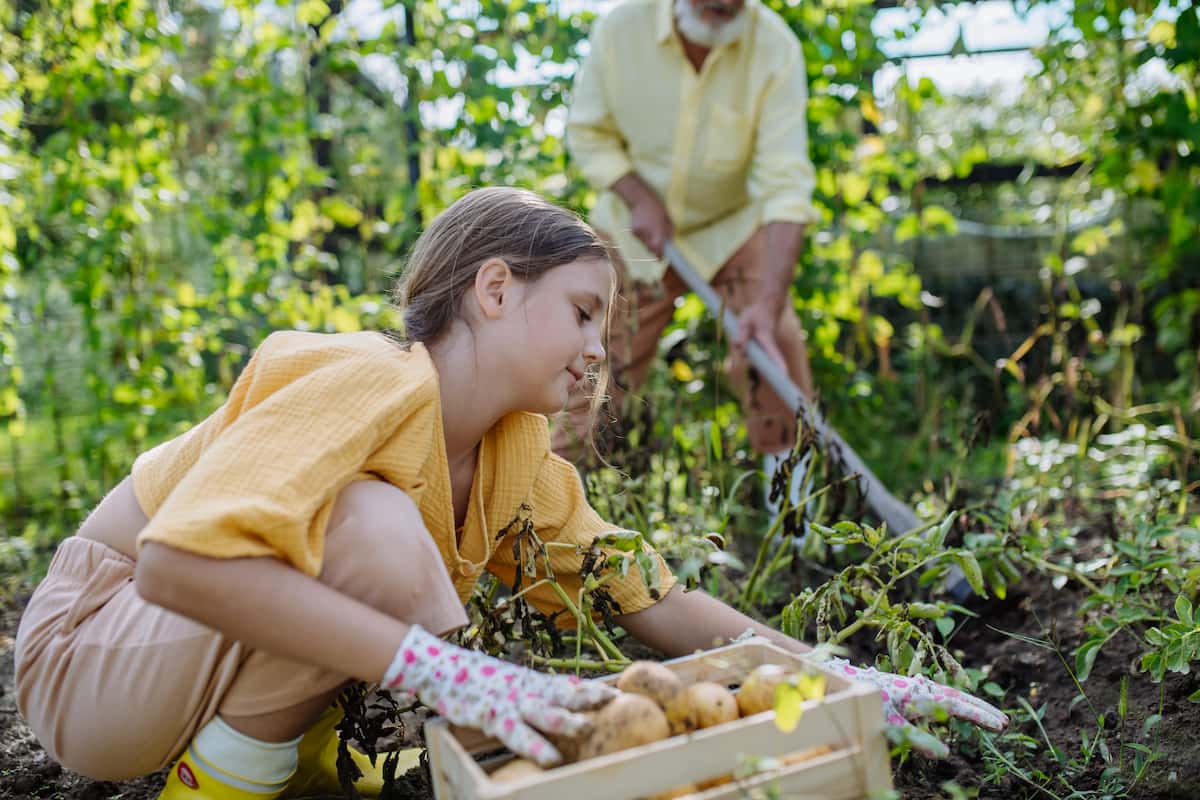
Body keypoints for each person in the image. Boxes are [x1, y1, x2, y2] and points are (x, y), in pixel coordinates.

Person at [14, 188, 1004, 800]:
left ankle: (257, 770)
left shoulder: (514, 455)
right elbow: (179, 562)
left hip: (185, 672)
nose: (595, 352)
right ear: (494, 288)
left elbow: (649, 595)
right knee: (370, 524)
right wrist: (451, 674)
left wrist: (833, 675)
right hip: (92, 659)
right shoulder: (372, 374)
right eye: (581, 311)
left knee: (377, 538)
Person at [558, 0, 821, 511]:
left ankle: (797, 524)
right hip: (634, 227)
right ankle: (543, 509)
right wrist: (639, 196)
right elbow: (589, 133)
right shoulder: (620, 30)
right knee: (593, 364)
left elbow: (786, 185)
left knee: (776, 349)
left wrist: (767, 304)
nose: (721, 4)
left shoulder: (775, 48)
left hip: (732, 228)